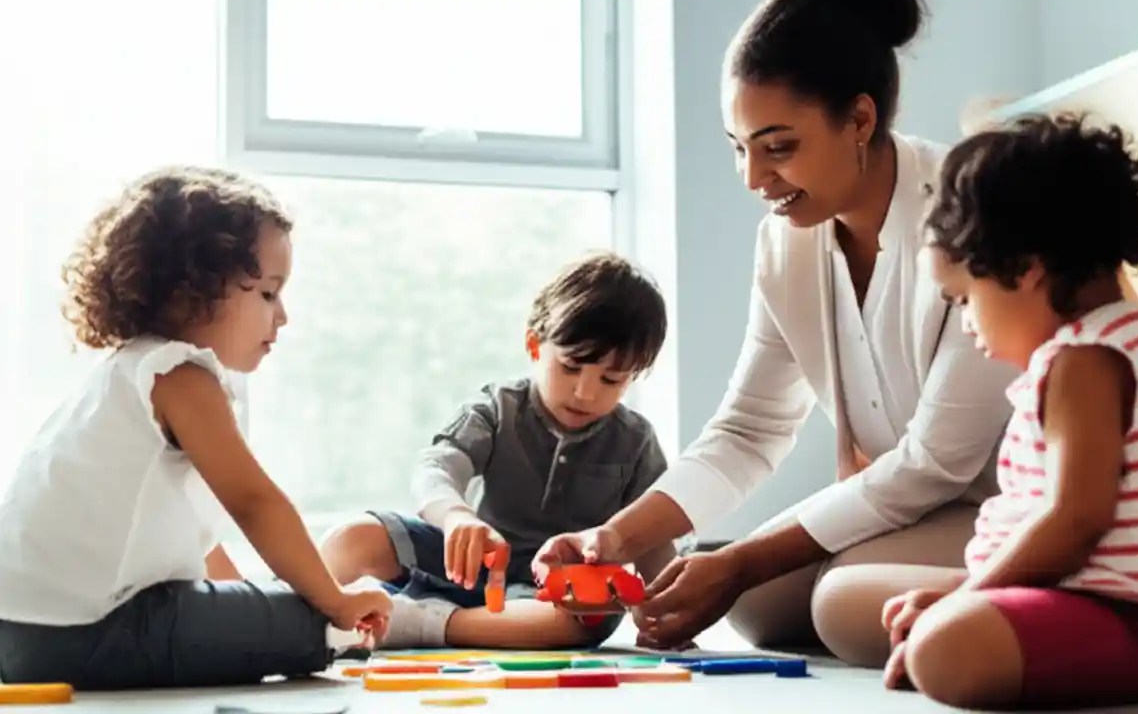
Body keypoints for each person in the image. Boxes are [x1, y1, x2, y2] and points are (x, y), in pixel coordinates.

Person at [536, 0, 1016, 662]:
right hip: (916, 505)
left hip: (1001, 505)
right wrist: (614, 538)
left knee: (838, 605)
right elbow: (749, 429)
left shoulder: (972, 210)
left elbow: (936, 462)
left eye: (779, 148)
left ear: (858, 119)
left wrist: (740, 561)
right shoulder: (786, 246)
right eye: (739, 149)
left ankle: (1050, 596)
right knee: (758, 607)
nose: (754, 177)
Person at [879, 112, 1138, 709]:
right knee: (844, 602)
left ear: (1026, 269)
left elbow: (1074, 520)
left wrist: (966, 596)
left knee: (944, 646)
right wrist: (965, 588)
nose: (967, 322)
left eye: (965, 299)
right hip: (1087, 600)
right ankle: (959, 622)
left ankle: (959, 630)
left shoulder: (1087, 362)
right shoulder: (1102, 341)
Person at [0, 167, 390, 690]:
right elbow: (255, 503)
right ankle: (396, 618)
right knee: (315, 622)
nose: (284, 317)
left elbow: (190, 541)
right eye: (269, 295)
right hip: (90, 631)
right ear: (193, 293)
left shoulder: (129, 372)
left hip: (21, 631)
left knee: (280, 602)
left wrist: (246, 606)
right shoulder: (180, 377)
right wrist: (334, 601)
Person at [321, 252, 674, 649]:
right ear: (535, 345)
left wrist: (666, 615)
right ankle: (303, 617)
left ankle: (418, 622)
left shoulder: (636, 441)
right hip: (469, 567)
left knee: (588, 616)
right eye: (571, 368)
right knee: (353, 538)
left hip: (552, 596)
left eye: (611, 380)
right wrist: (456, 517)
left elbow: (655, 537)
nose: (585, 393)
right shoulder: (498, 408)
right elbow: (436, 467)